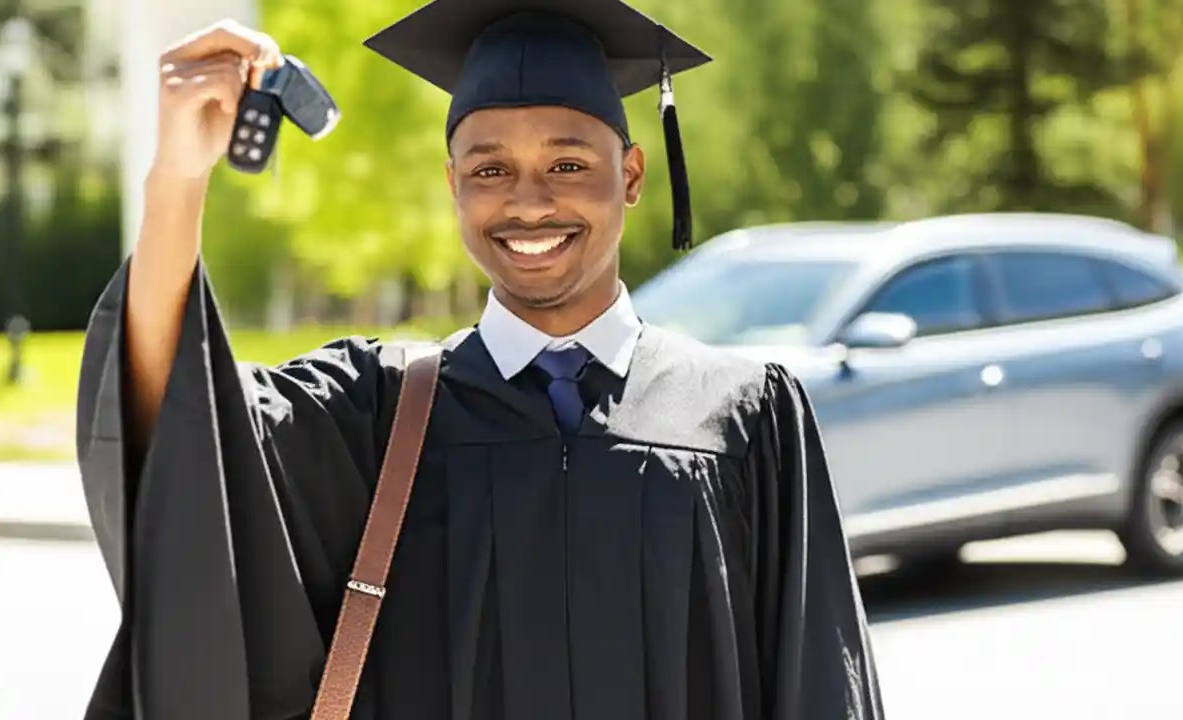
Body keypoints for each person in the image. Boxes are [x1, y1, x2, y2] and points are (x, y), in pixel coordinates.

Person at [76, 2, 885, 718]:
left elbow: (819, 680)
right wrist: (177, 178)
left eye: (568, 165)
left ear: (631, 176)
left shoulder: (748, 417)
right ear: (453, 184)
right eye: (489, 169)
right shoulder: (374, 411)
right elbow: (180, 426)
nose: (529, 202)